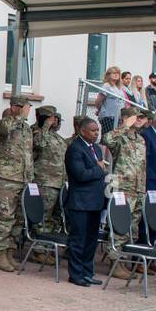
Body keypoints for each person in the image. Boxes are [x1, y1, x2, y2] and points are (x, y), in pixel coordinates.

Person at [101, 106, 149, 279]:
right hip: (122, 187)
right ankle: (115, 262)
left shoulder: (140, 139)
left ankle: (123, 261)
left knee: (132, 228)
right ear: (128, 118)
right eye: (137, 117)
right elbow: (106, 139)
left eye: (141, 118)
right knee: (119, 226)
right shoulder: (120, 136)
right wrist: (124, 126)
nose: (140, 120)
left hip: (138, 188)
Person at [0, 92, 34, 273]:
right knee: (5, 218)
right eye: (26, 107)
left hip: (23, 179)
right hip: (5, 179)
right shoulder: (4, 123)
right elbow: (5, 129)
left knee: (18, 220)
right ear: (16, 107)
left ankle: (10, 253)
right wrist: (17, 115)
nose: (28, 110)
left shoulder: (26, 128)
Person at [64, 116, 108, 287]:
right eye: (93, 130)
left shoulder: (96, 149)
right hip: (80, 202)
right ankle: (76, 274)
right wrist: (98, 168)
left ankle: (87, 272)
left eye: (97, 130)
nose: (96, 133)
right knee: (78, 240)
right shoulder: (75, 149)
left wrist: (99, 169)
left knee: (91, 241)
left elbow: (99, 171)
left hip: (95, 202)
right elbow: (80, 175)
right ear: (82, 131)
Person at [31, 105, 67, 236]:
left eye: (56, 118)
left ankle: (47, 248)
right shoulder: (36, 132)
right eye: (52, 118)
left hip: (58, 182)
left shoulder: (56, 137)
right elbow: (40, 143)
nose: (55, 120)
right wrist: (46, 125)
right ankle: (39, 249)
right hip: (45, 182)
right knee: (42, 216)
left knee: (54, 218)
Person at [93, 66, 123, 134]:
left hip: (116, 116)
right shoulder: (106, 86)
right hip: (108, 116)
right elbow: (98, 101)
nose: (116, 75)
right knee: (107, 136)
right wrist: (102, 110)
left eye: (118, 73)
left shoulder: (118, 87)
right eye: (114, 73)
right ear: (108, 75)